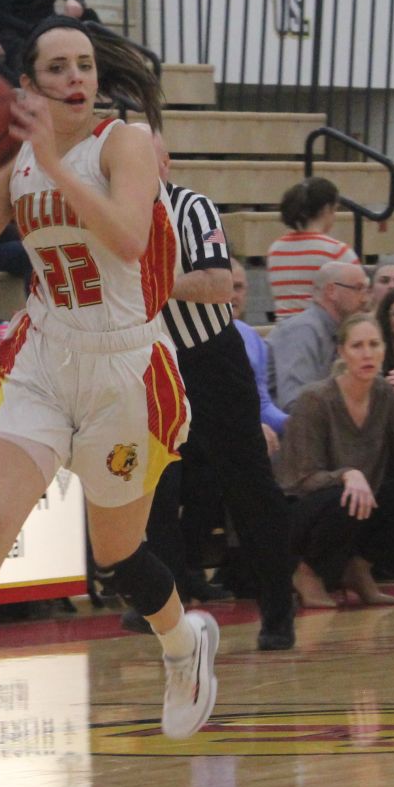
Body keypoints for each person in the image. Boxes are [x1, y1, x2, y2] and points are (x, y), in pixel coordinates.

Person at [0, 16, 217, 778]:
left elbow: (131, 238)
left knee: (119, 554)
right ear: (28, 85)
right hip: (43, 353)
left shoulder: (121, 144)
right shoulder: (13, 168)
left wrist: (53, 165)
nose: (77, 78)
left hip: (126, 365)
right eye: (59, 67)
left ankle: (182, 644)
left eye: (87, 65)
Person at [145, 133, 297, 649]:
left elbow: (216, 285)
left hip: (211, 356)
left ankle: (279, 608)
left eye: (144, 157)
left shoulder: (193, 208)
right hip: (150, 360)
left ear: (164, 163)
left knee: (248, 485)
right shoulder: (109, 214)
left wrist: (153, 283)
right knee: (152, 489)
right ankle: (165, 604)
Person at [277, 313, 394, 608]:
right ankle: (305, 573)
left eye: (374, 344)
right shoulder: (314, 399)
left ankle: (359, 568)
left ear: (384, 350)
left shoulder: (385, 393)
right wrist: (347, 474)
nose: (367, 353)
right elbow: (301, 479)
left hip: (362, 502)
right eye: (357, 346)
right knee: (345, 496)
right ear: (342, 352)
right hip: (307, 511)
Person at [268, 260, 370, 409]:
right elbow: (296, 403)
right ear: (331, 291)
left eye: (366, 290)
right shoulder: (302, 331)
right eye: (358, 288)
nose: (364, 298)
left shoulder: (341, 331)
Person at [266, 177, 356, 319]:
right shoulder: (337, 251)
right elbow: (358, 298)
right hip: (320, 335)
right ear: (327, 209)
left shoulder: (275, 249)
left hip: (283, 334)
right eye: (335, 210)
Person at [231, 271, 288, 440]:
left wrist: (296, 423)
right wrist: (253, 428)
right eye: (227, 286)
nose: (232, 295)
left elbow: (262, 405)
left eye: (238, 287)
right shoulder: (196, 337)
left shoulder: (251, 336)